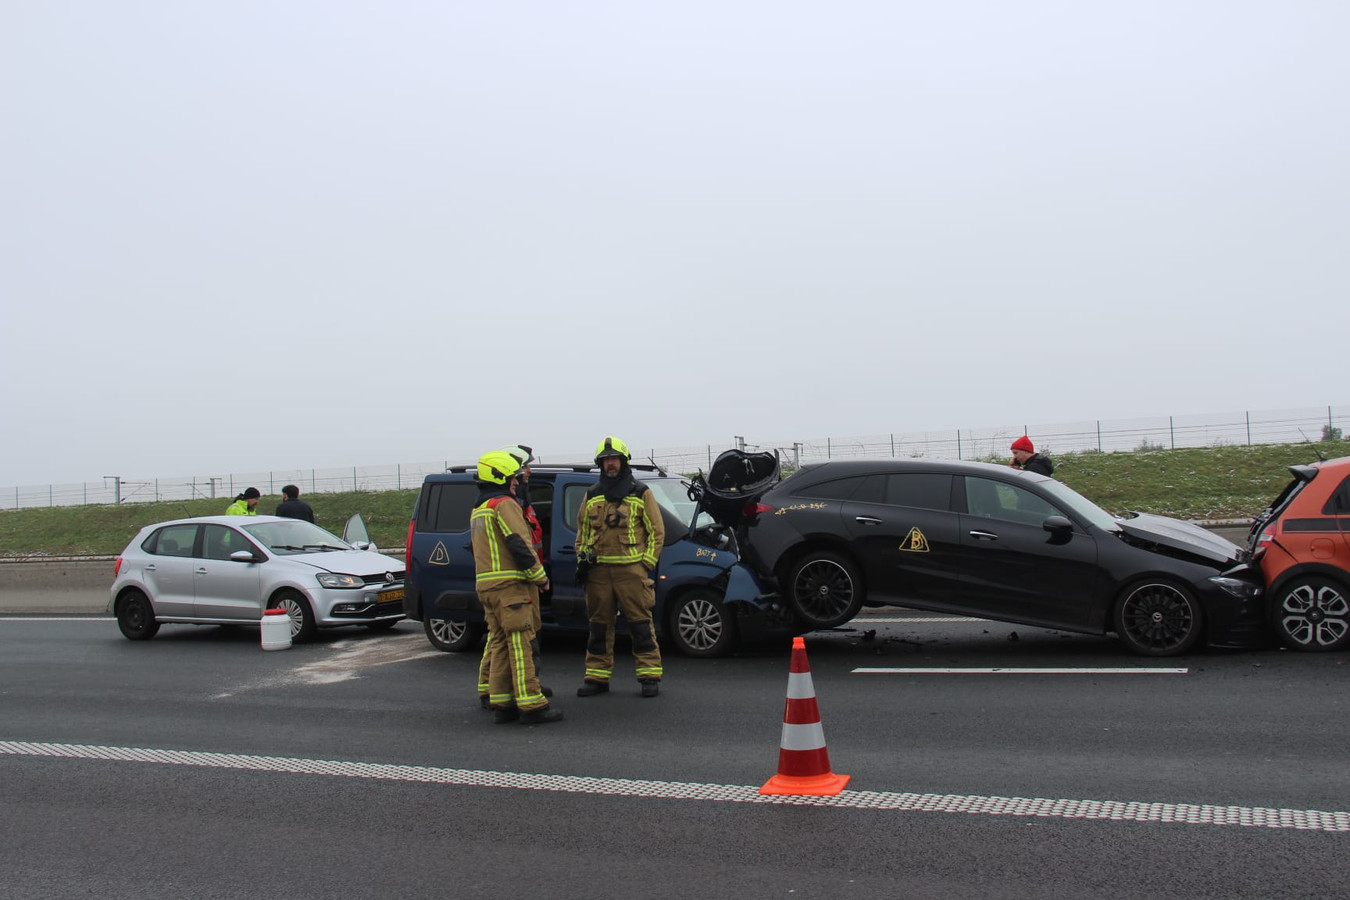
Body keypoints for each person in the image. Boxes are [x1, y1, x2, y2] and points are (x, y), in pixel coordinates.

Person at [471, 449, 561, 725]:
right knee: (521, 643)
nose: (516, 482)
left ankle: (502, 702)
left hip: (487, 587)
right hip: (510, 586)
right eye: (513, 477)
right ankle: (531, 704)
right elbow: (518, 543)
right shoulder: (504, 504)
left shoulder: (479, 509)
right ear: (500, 477)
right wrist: (540, 577)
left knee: (498, 642)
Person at [575, 436, 665, 698]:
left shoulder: (640, 492)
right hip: (598, 574)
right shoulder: (591, 495)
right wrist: (583, 559)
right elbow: (582, 531)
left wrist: (645, 563)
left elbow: (657, 531)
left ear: (623, 462)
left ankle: (649, 676)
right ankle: (597, 677)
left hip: (631, 573)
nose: (610, 464)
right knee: (598, 627)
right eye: (605, 460)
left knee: (640, 625)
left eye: (614, 459)